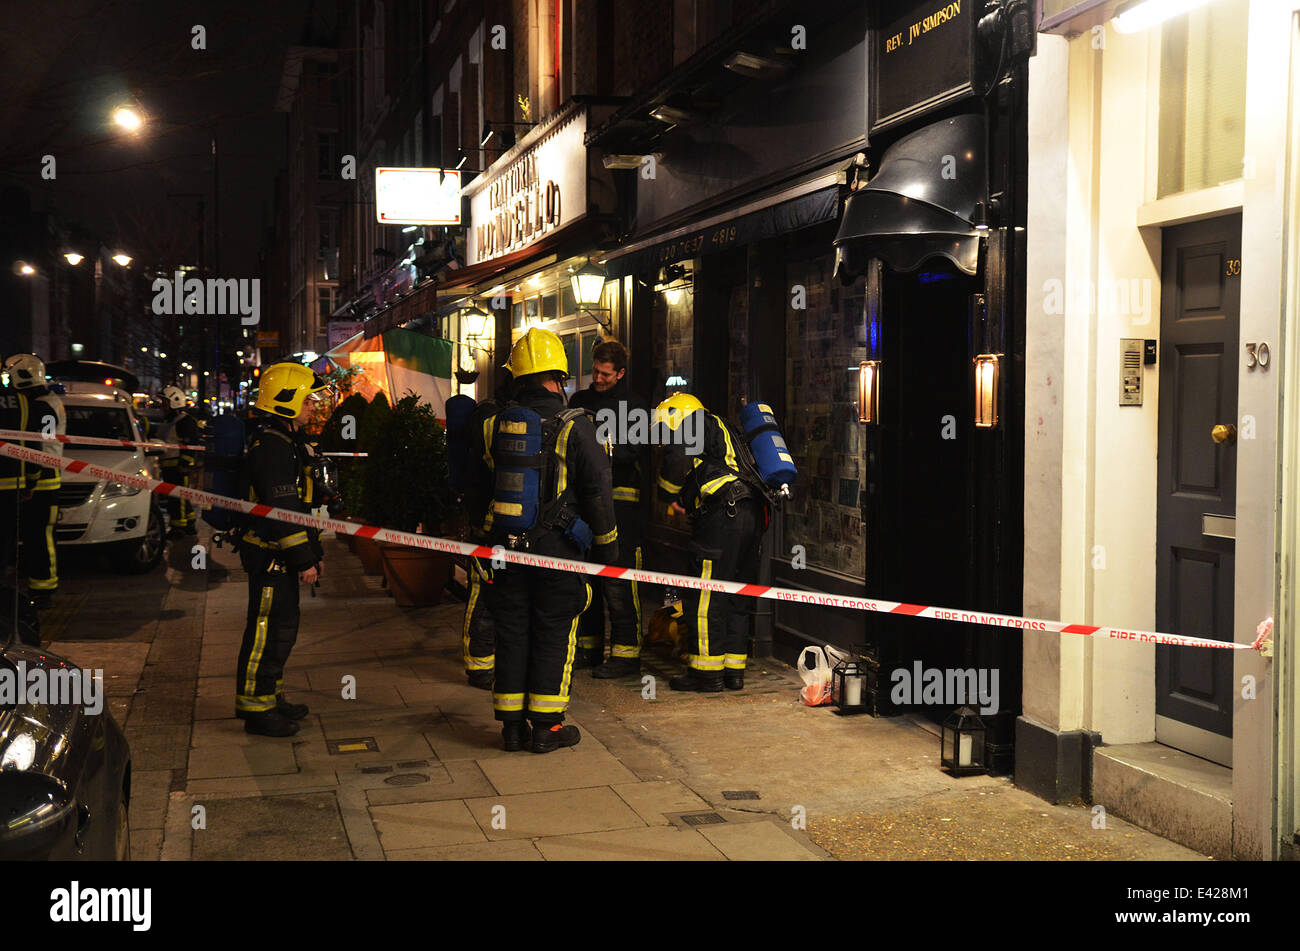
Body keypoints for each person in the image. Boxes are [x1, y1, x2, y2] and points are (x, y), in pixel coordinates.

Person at [465, 328, 618, 753]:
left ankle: (511, 729)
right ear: (558, 378)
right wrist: (609, 553)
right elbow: (597, 495)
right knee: (553, 632)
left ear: (519, 377)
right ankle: (546, 728)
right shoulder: (579, 426)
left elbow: (476, 491)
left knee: (512, 632)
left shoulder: (493, 424)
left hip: (503, 551)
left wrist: (480, 541)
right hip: (559, 553)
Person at [232, 363, 327, 737]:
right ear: (285, 402)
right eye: (307, 400)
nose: (312, 406)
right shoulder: (271, 447)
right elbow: (282, 509)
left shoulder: (282, 441)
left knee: (281, 629)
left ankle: (271, 696)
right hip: (271, 554)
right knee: (264, 631)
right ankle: (256, 710)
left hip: (278, 553)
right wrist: (304, 559)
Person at [654, 392, 764, 692]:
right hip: (752, 514)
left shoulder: (693, 422)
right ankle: (733, 671)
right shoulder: (723, 427)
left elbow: (676, 461)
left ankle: (706, 673)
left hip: (722, 517)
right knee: (737, 594)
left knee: (705, 594)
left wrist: (666, 496)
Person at [568, 339, 650, 678]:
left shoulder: (636, 407)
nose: (598, 379)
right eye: (595, 371)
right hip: (585, 507)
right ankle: (589, 651)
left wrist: (599, 453)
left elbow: (636, 452)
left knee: (619, 581)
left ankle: (626, 657)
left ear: (620, 373)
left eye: (605, 374)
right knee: (587, 579)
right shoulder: (579, 402)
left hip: (623, 510)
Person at [1, 354, 63, 608]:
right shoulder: (39, 402)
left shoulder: (43, 405)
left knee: (40, 535)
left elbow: (39, 442)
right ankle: (35, 583)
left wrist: (32, 477)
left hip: (42, 478)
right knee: (29, 535)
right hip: (32, 476)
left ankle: (44, 589)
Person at [158, 385, 200, 536]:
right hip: (169, 466)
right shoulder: (171, 420)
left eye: (165, 402)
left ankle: (179, 528)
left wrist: (184, 464)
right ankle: (189, 525)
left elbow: (191, 444)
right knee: (178, 498)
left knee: (178, 499)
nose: (162, 405)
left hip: (178, 466)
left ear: (174, 402)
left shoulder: (184, 421)